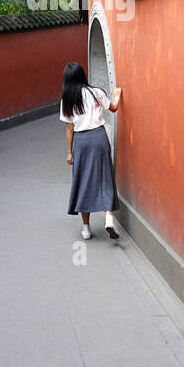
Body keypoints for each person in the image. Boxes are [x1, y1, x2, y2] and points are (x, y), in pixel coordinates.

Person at [59, 61, 123, 240]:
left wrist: (69, 152)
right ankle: (109, 217)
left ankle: (86, 228)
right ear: (82, 75)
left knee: (82, 180)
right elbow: (113, 107)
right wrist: (117, 95)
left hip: (81, 142)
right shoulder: (96, 92)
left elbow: (69, 128)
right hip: (99, 138)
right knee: (105, 177)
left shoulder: (67, 100)